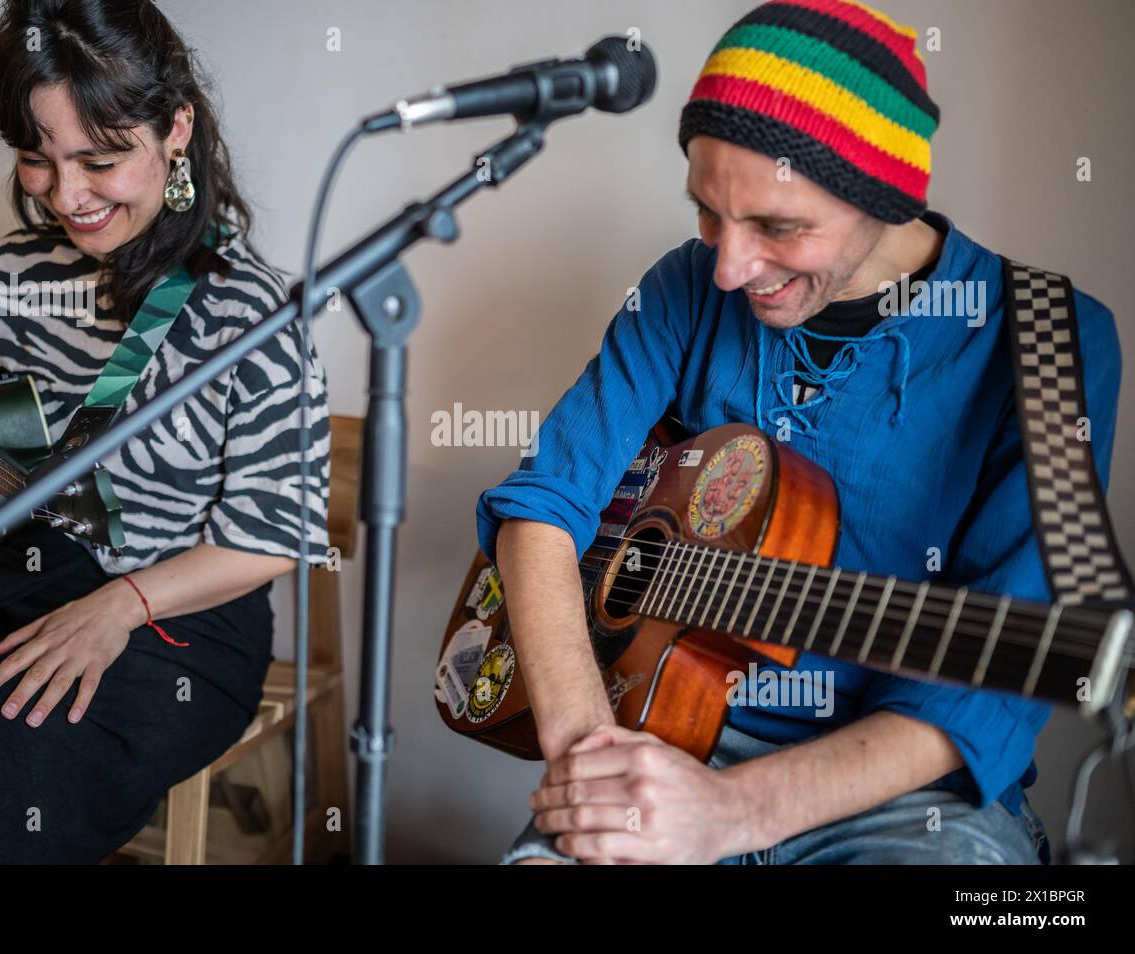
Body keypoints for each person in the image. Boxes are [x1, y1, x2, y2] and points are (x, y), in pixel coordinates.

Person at [476, 0, 1119, 864]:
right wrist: (598, 761)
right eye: (708, 212)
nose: (730, 266)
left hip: (908, 802)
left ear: (887, 200)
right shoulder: (683, 287)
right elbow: (543, 509)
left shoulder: (1052, 342)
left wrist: (731, 815)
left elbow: (990, 691)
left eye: (780, 227)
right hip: (659, 745)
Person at [0, 0, 329, 864]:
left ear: (174, 131)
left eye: (100, 161)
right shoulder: (6, 275)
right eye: (37, 160)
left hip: (170, 629)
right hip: (5, 589)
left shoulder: (250, 312)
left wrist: (119, 606)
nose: (66, 196)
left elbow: (270, 539)